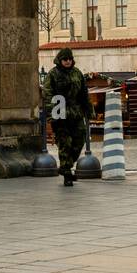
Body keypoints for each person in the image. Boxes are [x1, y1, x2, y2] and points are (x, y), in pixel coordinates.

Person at [41, 48, 92, 186]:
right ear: (60, 60)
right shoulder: (53, 74)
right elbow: (47, 94)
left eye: (69, 59)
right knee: (65, 143)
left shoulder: (77, 73)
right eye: (65, 59)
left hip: (75, 112)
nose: (68, 61)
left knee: (79, 139)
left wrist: (88, 108)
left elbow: (83, 92)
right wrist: (53, 114)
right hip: (60, 110)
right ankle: (67, 174)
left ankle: (65, 166)